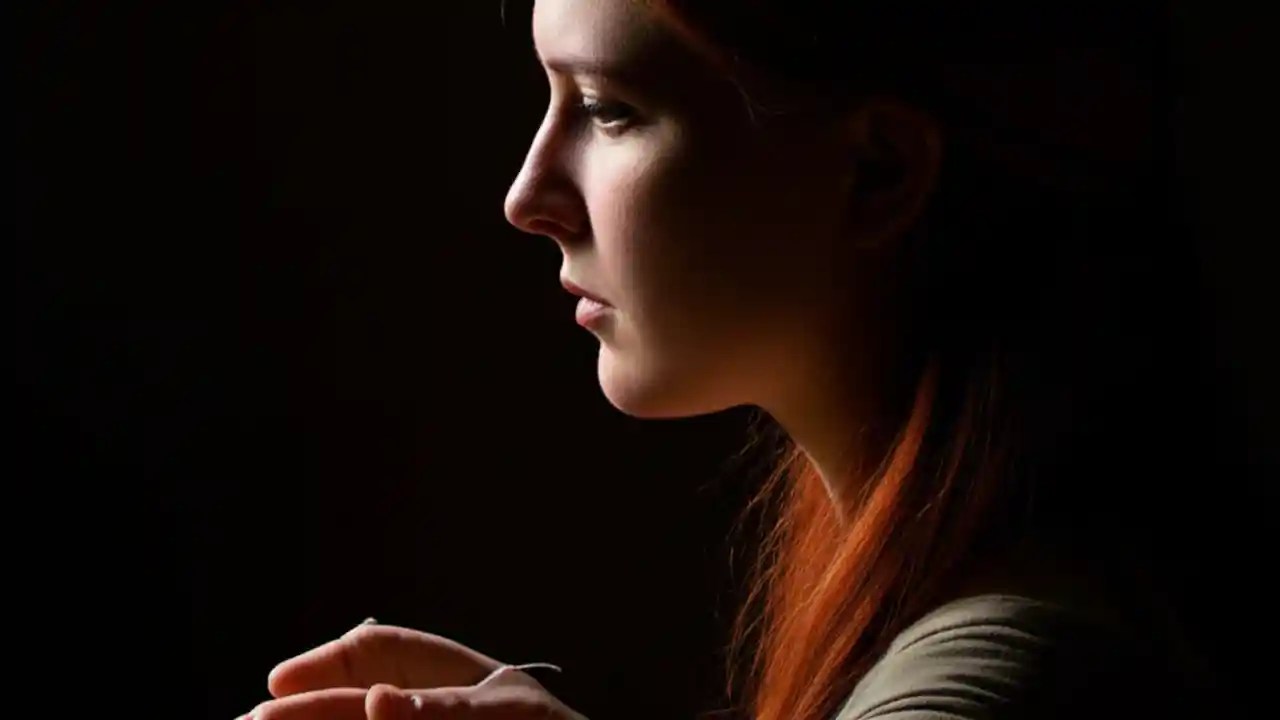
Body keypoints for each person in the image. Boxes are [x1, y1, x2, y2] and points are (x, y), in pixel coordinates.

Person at [239, 1, 1255, 718]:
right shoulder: (1018, 570)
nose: (527, 194)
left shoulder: (1016, 668)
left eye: (606, 108)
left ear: (877, 171)